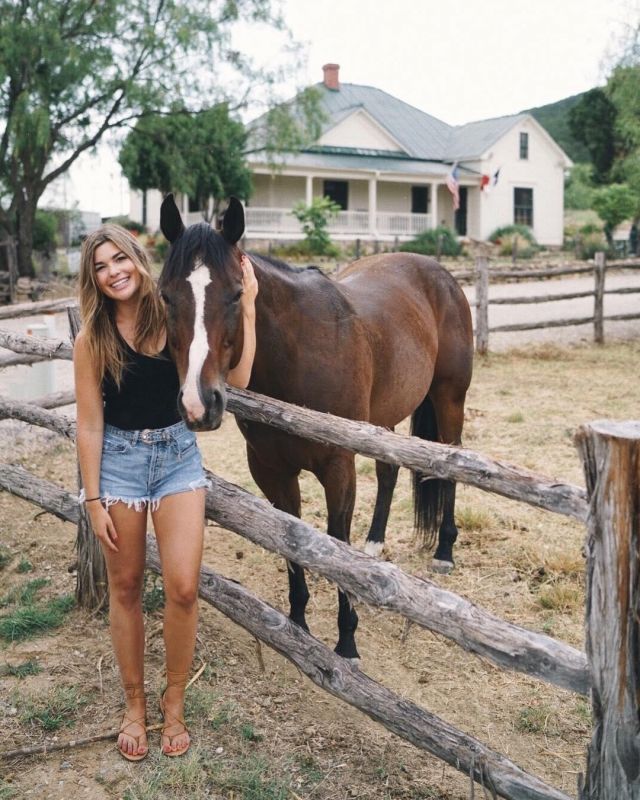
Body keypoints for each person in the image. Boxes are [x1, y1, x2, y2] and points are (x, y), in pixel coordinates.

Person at [74, 224, 257, 761]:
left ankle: (173, 701)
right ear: (94, 279)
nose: (114, 272)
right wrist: (92, 498)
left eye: (120, 260)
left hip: (177, 459)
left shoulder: (172, 309)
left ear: (136, 258)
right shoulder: (93, 339)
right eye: (101, 267)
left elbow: (240, 377)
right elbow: (88, 425)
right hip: (121, 468)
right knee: (126, 588)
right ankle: (135, 706)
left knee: (181, 588)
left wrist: (248, 307)